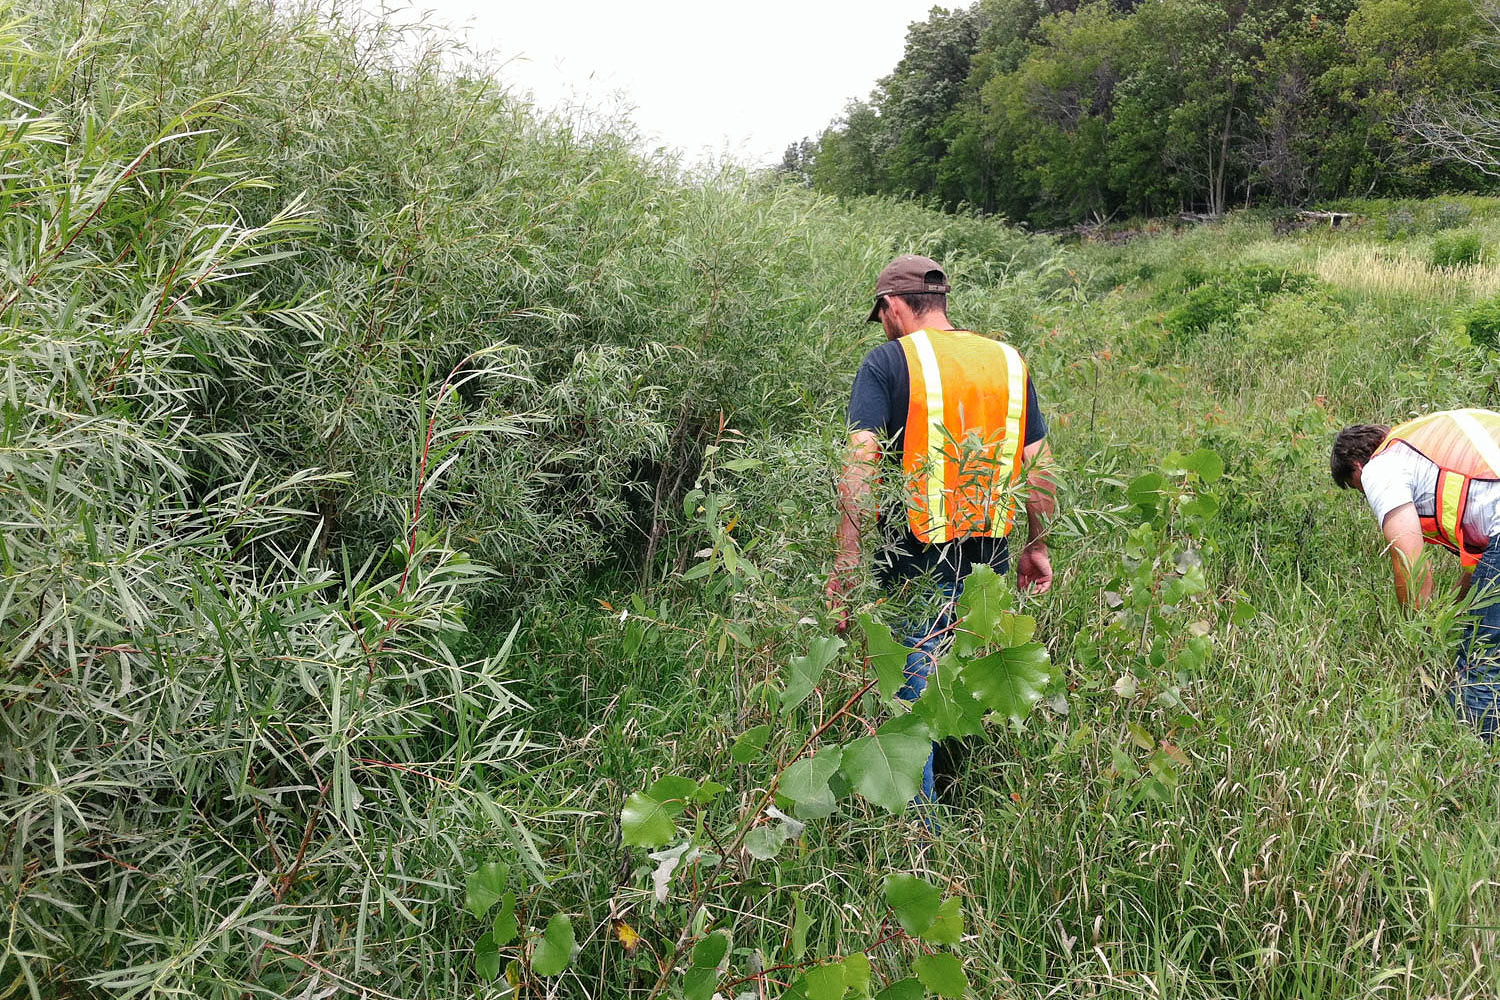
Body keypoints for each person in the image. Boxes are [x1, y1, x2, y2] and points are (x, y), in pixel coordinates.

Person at [825, 254, 1057, 810]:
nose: (883, 324)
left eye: (881, 313)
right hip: (991, 554)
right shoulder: (1007, 360)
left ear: (894, 306)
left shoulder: (887, 362)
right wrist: (1037, 546)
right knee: (962, 670)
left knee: (913, 690)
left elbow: (859, 462)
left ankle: (921, 835)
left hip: (913, 557)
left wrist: (846, 561)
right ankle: (973, 795)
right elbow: (1040, 464)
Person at [1331, 409, 1500, 737]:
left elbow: (1411, 565)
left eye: (1359, 489)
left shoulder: (1381, 466)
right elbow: (1481, 570)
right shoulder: (1431, 438)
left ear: (1357, 468)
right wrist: (1453, 616)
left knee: (1478, 665)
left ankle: (1473, 767)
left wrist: (1421, 644)